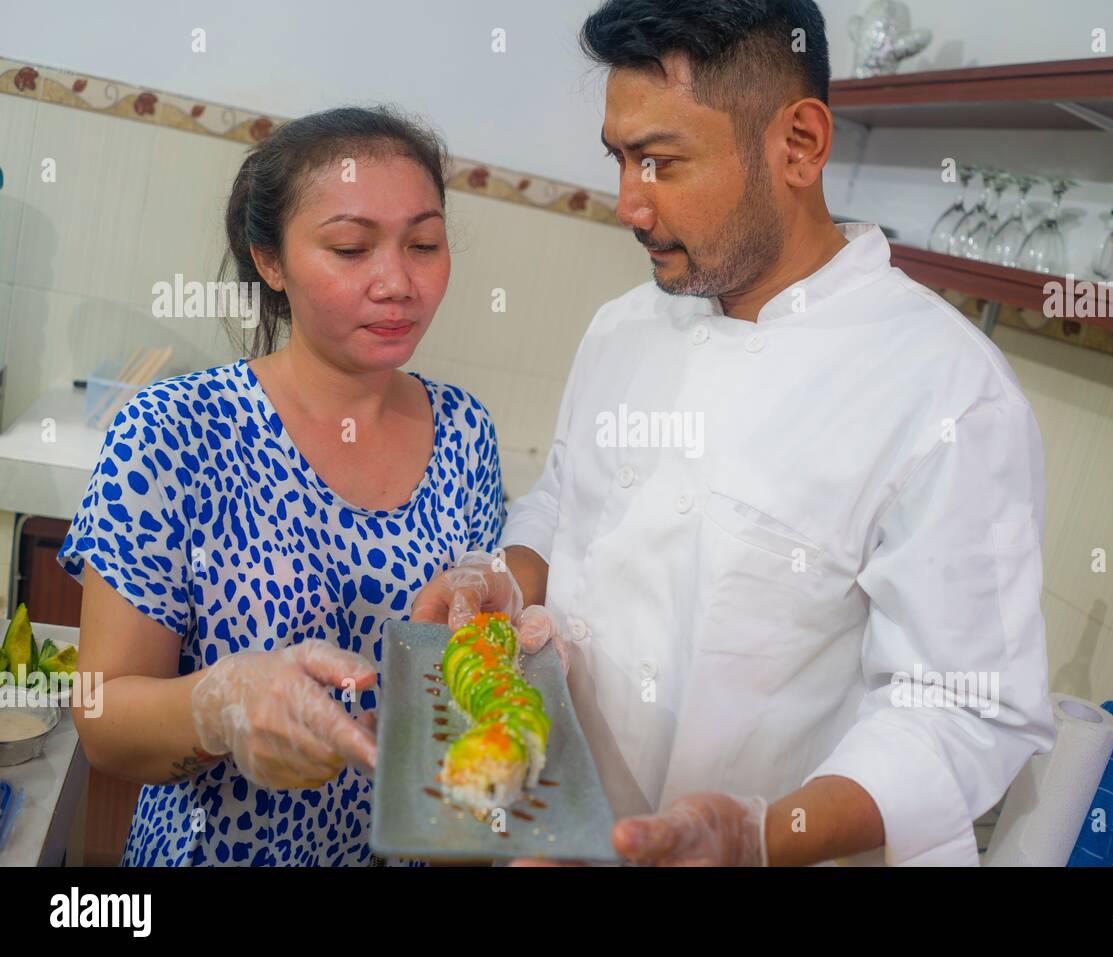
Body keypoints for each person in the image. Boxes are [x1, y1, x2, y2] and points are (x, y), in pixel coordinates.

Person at [412, 0, 1056, 867]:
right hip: (561, 828)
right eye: (621, 159)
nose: (628, 205)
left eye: (661, 162)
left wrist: (759, 833)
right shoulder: (624, 326)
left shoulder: (947, 392)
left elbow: (964, 708)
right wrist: (503, 577)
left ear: (799, 144)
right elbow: (565, 501)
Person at [58, 105, 505, 866]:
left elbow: (470, 659)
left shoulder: (467, 433)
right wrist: (220, 708)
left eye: (423, 244)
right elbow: (103, 718)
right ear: (271, 261)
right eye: (351, 247)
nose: (397, 281)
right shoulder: (173, 432)